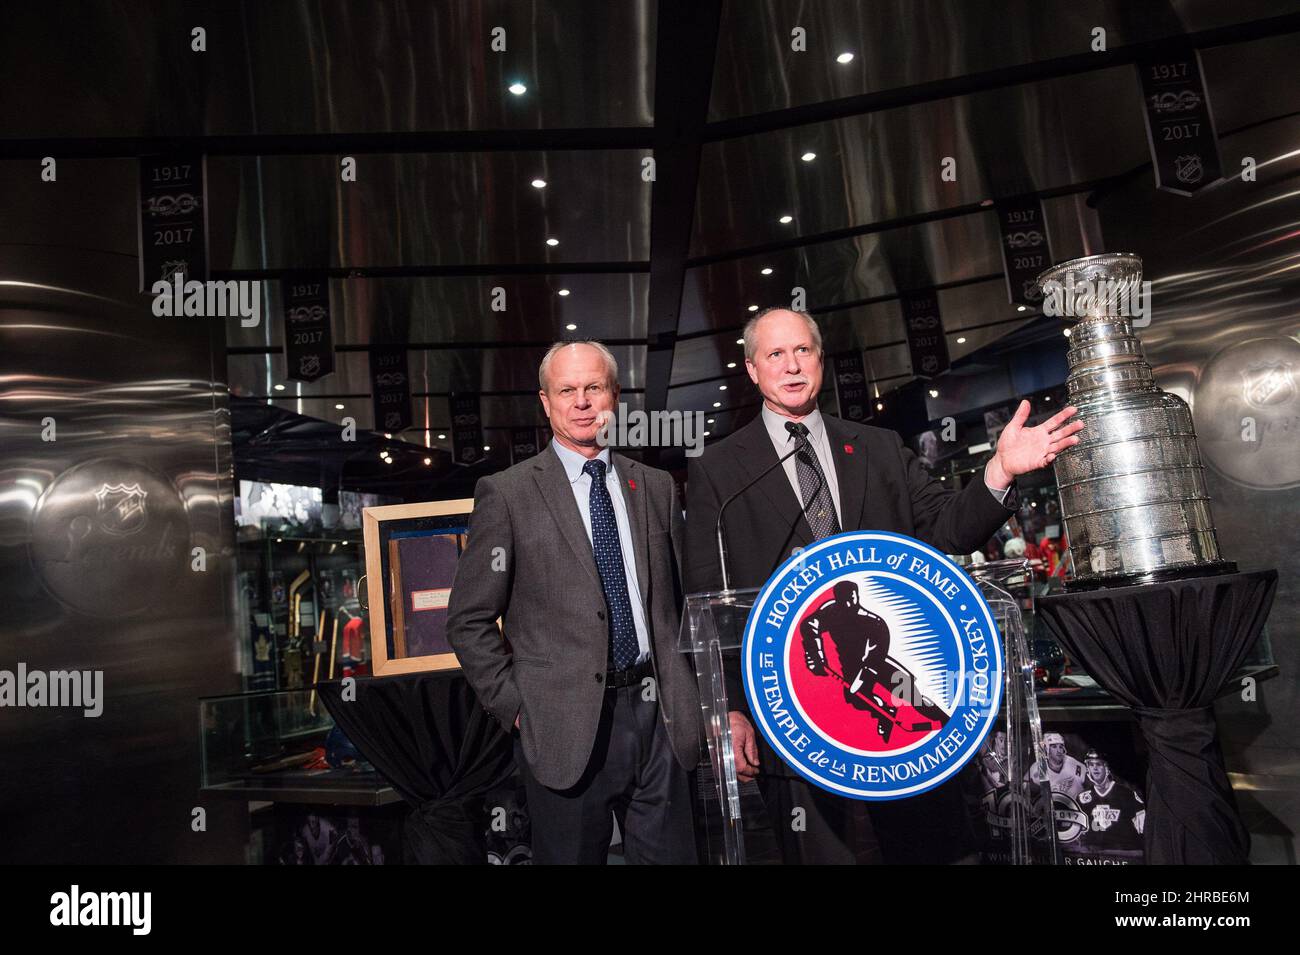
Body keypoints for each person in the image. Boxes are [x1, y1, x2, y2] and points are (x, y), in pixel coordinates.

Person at [684, 306, 1083, 864]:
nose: (792, 366)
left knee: (928, 848)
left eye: (803, 351)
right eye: (775, 354)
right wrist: (727, 709)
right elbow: (710, 598)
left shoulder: (877, 448)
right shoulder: (720, 470)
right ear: (753, 370)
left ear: (821, 360)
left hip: (902, 717)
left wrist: (1000, 472)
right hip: (788, 710)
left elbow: (949, 527)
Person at [448, 341, 700, 864]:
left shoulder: (653, 486)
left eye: (594, 387)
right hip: (563, 726)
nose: (581, 401)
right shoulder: (507, 493)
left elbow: (679, 602)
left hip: (661, 724)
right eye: (567, 390)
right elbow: (468, 619)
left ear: (614, 396)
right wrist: (519, 707)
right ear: (546, 402)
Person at [1078, 750, 1145, 856]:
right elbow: (1077, 834)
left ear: (1107, 767)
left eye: (1098, 764)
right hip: (1095, 856)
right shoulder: (1082, 797)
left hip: (1123, 854)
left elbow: (1144, 829)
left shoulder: (1127, 794)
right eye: (1091, 764)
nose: (1094, 768)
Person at [1028, 732, 1086, 799]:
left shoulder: (1073, 764)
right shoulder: (1038, 767)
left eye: (1061, 747)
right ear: (1046, 749)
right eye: (1054, 747)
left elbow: (1092, 785)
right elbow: (1025, 788)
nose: (1059, 751)